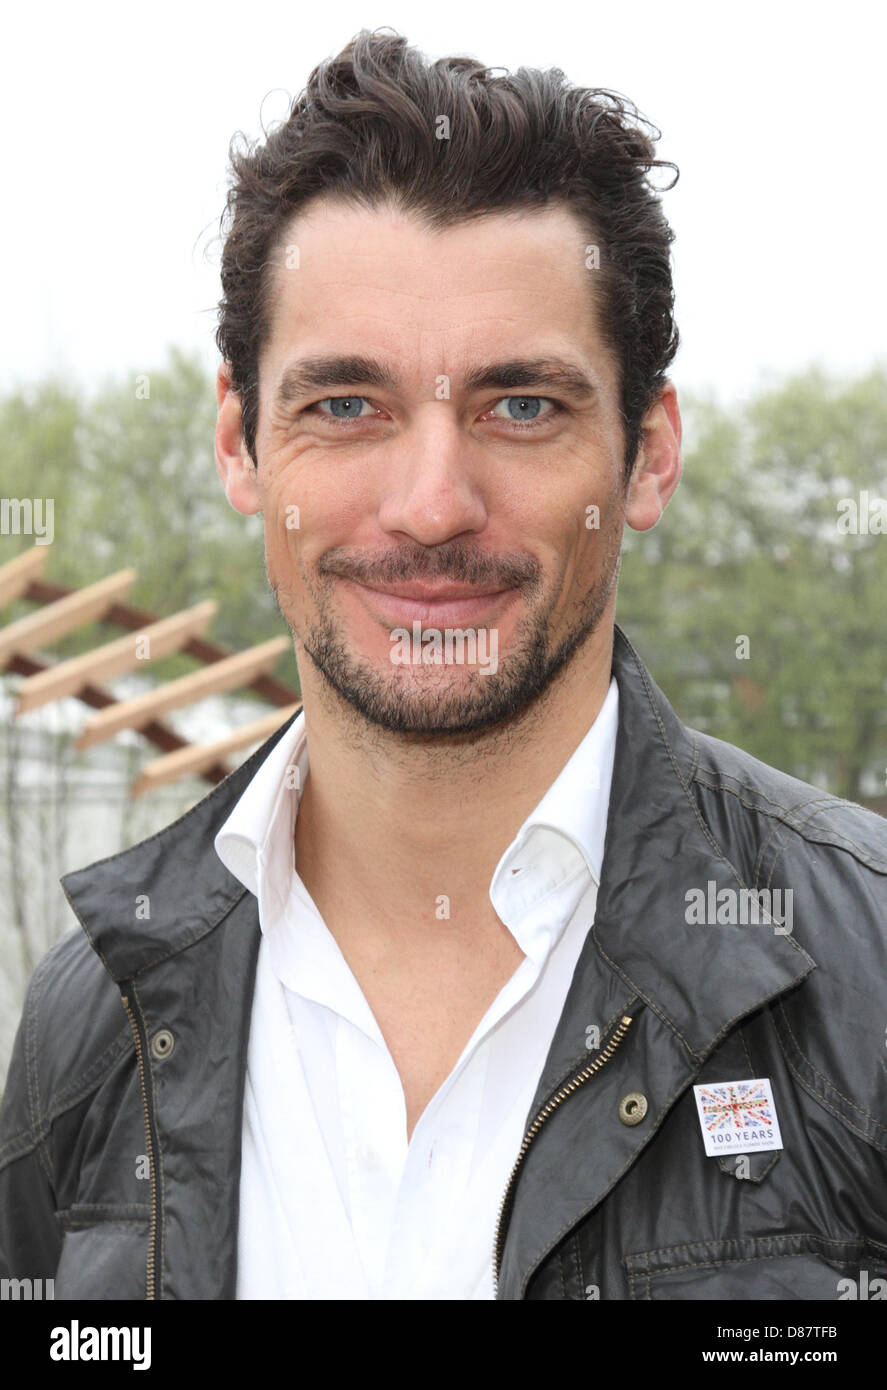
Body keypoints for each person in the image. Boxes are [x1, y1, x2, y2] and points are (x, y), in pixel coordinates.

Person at [1, 29, 885, 1302]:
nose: (429, 505)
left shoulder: (857, 974)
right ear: (242, 447)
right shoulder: (93, 1017)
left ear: (645, 456)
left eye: (518, 405)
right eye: (345, 405)